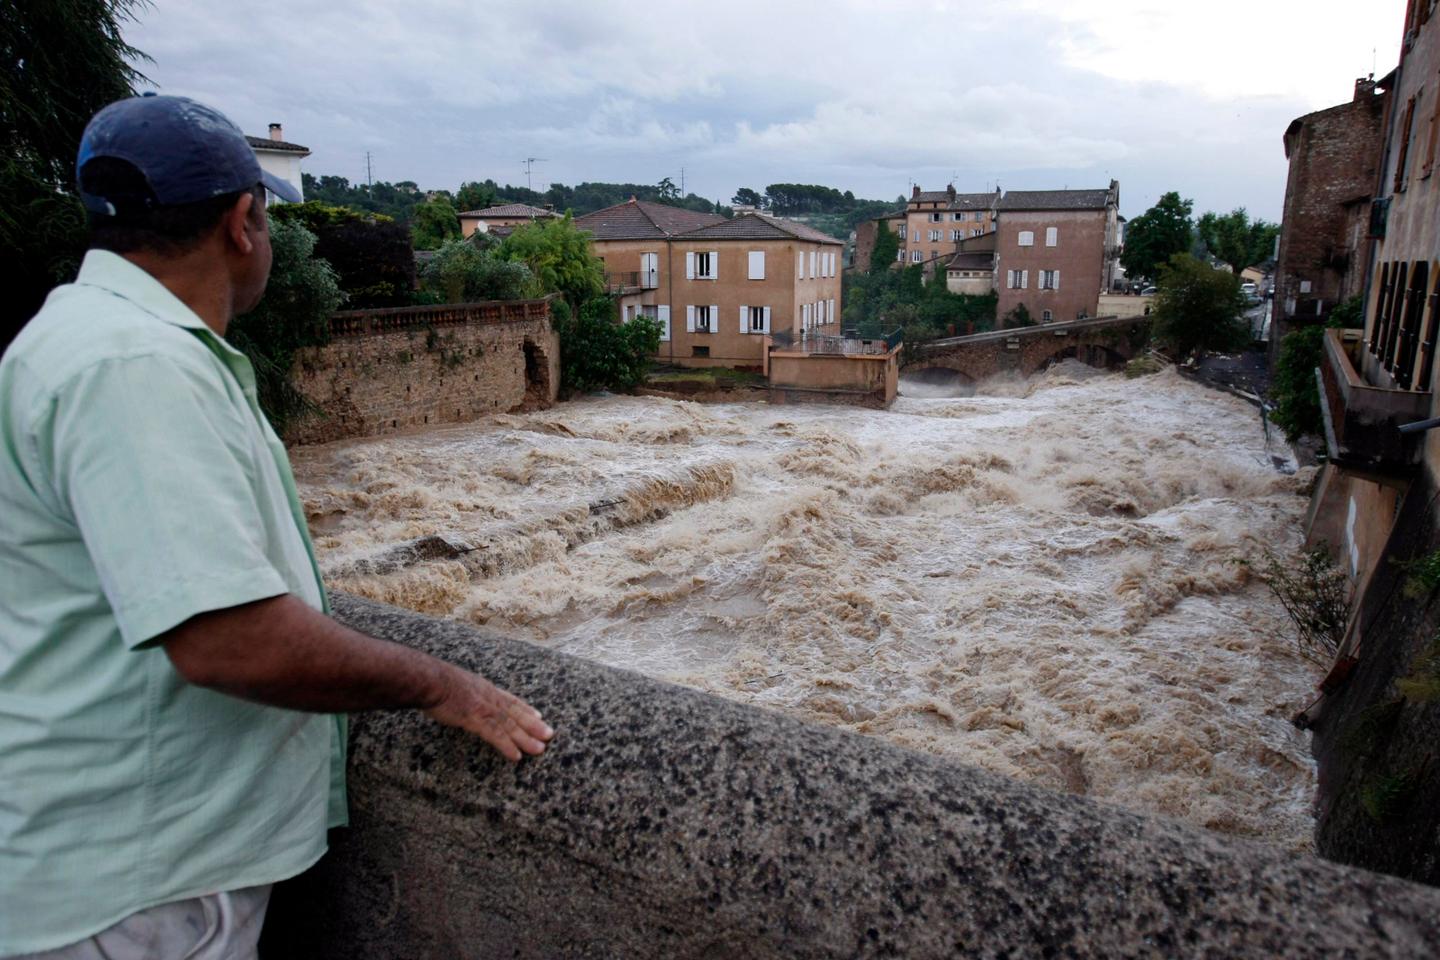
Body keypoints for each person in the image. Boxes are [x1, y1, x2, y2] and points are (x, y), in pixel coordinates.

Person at [0, 94, 553, 959]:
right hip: (137, 891)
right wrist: (448, 687)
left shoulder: (81, 335)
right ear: (241, 223)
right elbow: (228, 637)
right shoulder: (135, 366)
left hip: (120, 862)